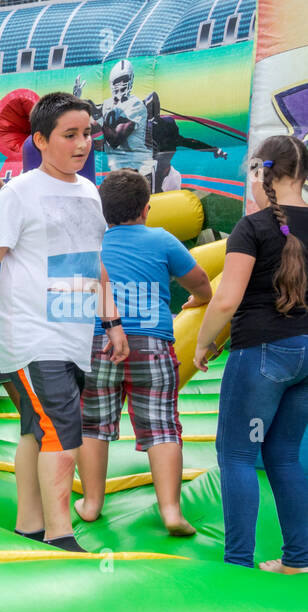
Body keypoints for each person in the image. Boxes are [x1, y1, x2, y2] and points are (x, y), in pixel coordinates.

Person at [0, 91, 128, 552]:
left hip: (73, 331)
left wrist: (111, 321)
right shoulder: (19, 192)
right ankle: (61, 533)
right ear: (40, 139)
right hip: (31, 334)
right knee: (60, 425)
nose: (81, 144)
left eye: (87, 133)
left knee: (35, 427)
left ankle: (29, 523)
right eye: (69, 135)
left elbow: (95, 264)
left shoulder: (90, 191)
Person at [193, 134, 308, 573]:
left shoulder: (253, 227)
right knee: (283, 454)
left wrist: (204, 342)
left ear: (263, 173)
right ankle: (298, 558)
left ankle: (236, 562)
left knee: (238, 454)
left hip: (263, 352)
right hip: (304, 353)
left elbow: (226, 299)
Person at [76, 169, 212, 536]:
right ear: (147, 209)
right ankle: (170, 509)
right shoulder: (162, 239)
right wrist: (200, 299)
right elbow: (199, 280)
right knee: (162, 426)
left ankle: (91, 503)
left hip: (98, 340)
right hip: (151, 344)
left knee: (92, 424)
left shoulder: (93, 242)